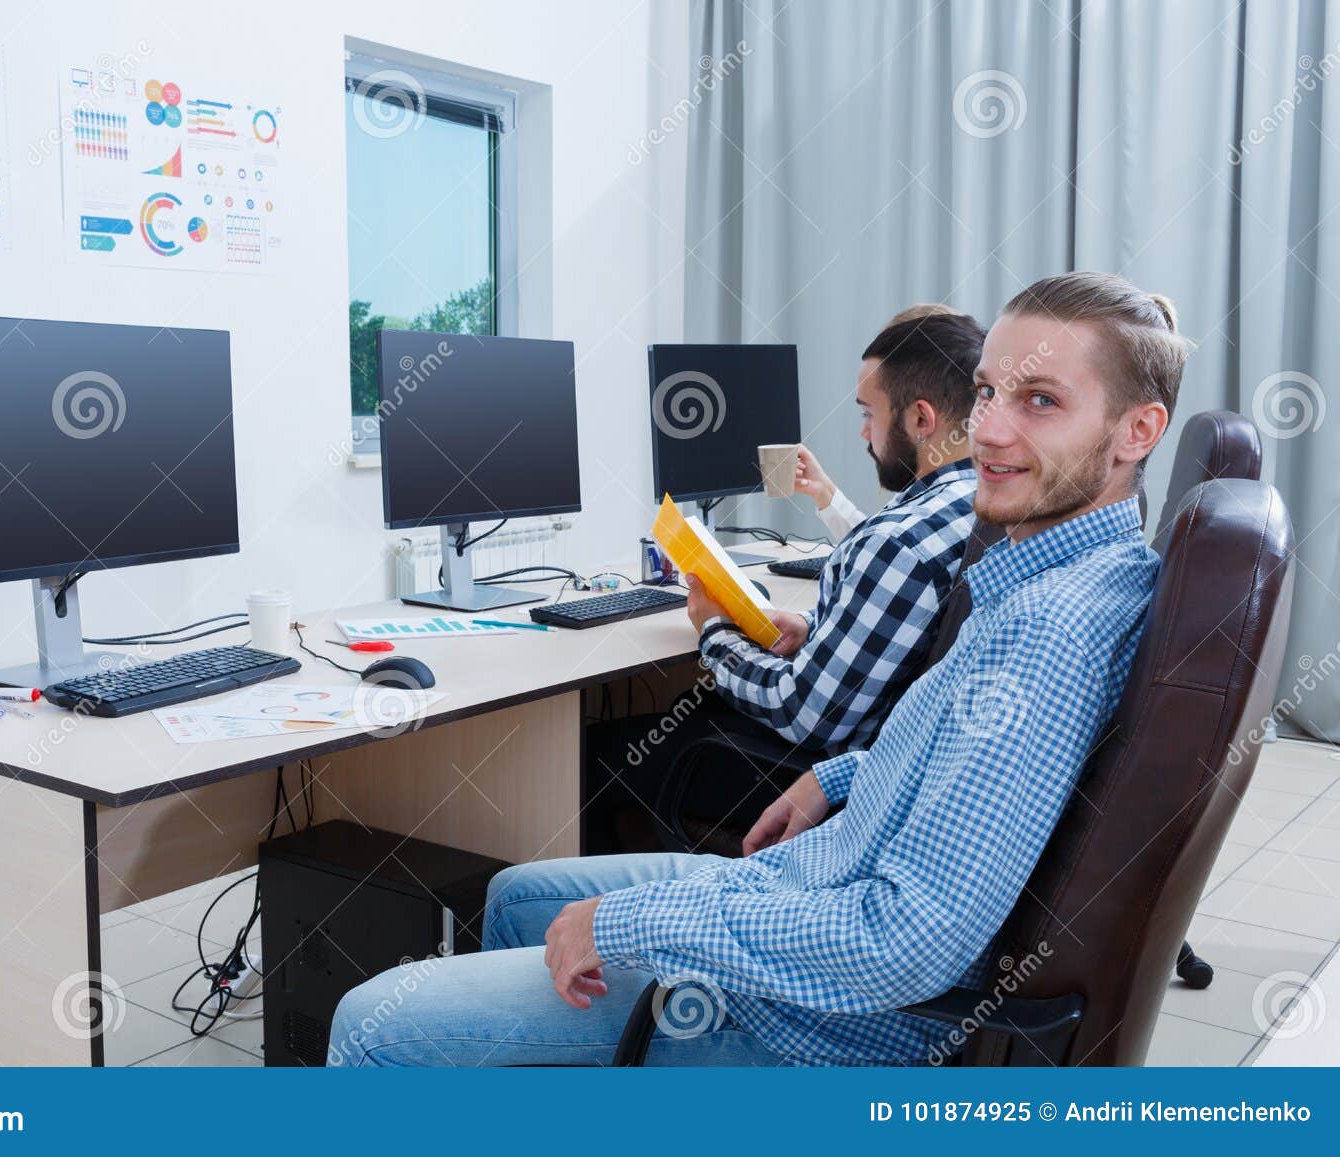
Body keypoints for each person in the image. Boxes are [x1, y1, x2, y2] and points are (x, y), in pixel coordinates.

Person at [327, 271, 1190, 1066]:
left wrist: (635, 922)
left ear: (1137, 429)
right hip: (821, 873)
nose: (993, 430)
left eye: (1040, 401)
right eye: (992, 392)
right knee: (520, 896)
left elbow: (903, 942)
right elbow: (963, 748)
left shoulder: (1044, 631)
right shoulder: (1067, 574)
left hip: (805, 1018)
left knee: (370, 1022)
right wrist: (840, 775)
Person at [585, 308, 984, 853]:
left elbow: (803, 715)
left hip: (824, 784)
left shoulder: (898, 542)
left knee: (598, 755)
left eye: (869, 413)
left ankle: (609, 921)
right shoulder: (977, 507)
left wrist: (715, 631)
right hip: (890, 769)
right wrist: (812, 626)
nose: (865, 433)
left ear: (921, 419)